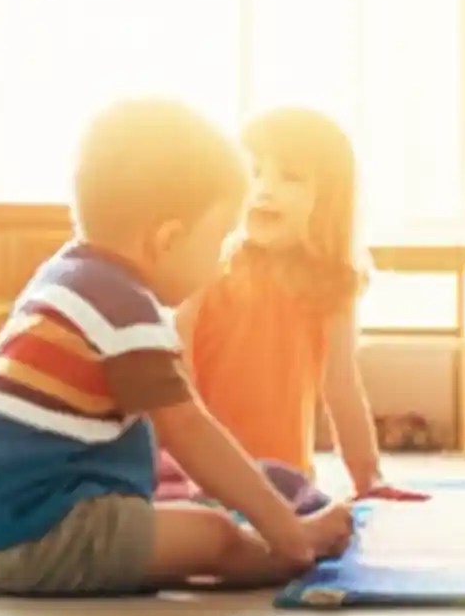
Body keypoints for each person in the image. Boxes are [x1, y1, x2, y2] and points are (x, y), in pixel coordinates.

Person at [0, 99, 352, 596]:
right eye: (221, 238)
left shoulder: (69, 275)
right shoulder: (124, 309)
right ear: (167, 239)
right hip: (43, 533)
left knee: (204, 500)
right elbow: (189, 430)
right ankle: (280, 557)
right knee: (215, 534)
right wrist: (289, 532)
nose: (226, 258)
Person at [172, 107, 426, 503]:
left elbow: (341, 384)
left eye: (289, 177)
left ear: (326, 201)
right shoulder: (209, 264)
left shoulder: (332, 283)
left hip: (285, 480)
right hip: (201, 476)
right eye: (253, 172)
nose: (264, 190)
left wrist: (367, 478)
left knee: (313, 536)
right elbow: (175, 367)